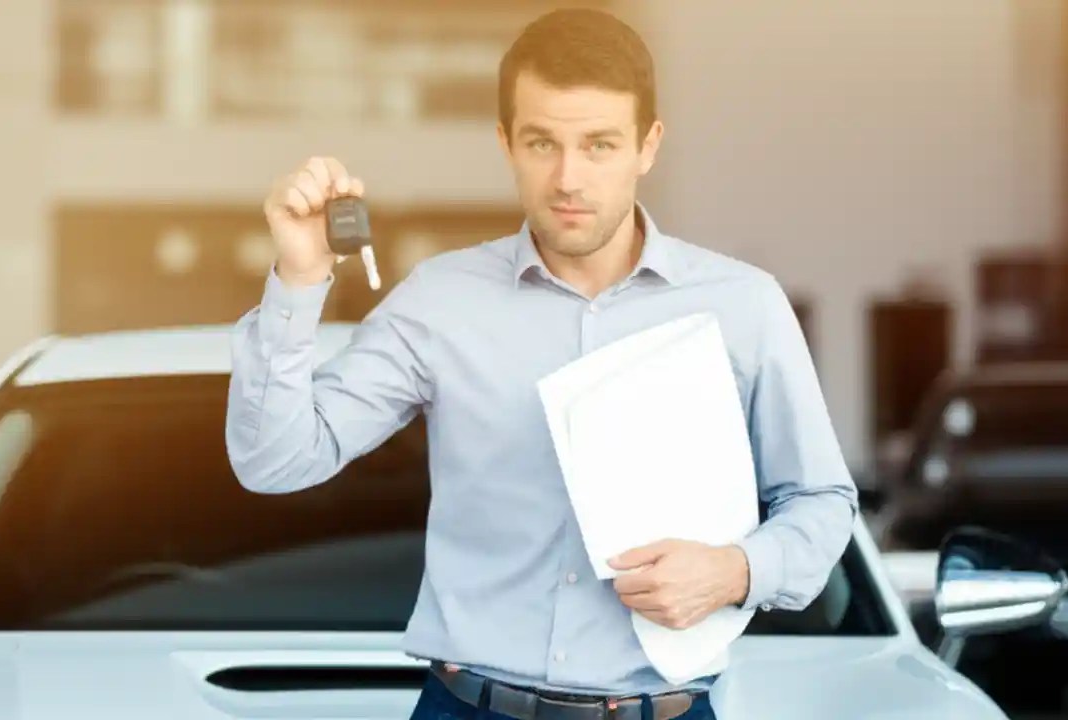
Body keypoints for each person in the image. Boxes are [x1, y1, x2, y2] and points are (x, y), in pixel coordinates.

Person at [226, 7, 857, 719]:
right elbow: (274, 461)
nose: (567, 178)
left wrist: (735, 571)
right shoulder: (442, 301)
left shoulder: (744, 306)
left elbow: (822, 501)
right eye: (541, 143)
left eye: (599, 144)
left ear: (648, 146)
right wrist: (300, 275)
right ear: (505, 142)